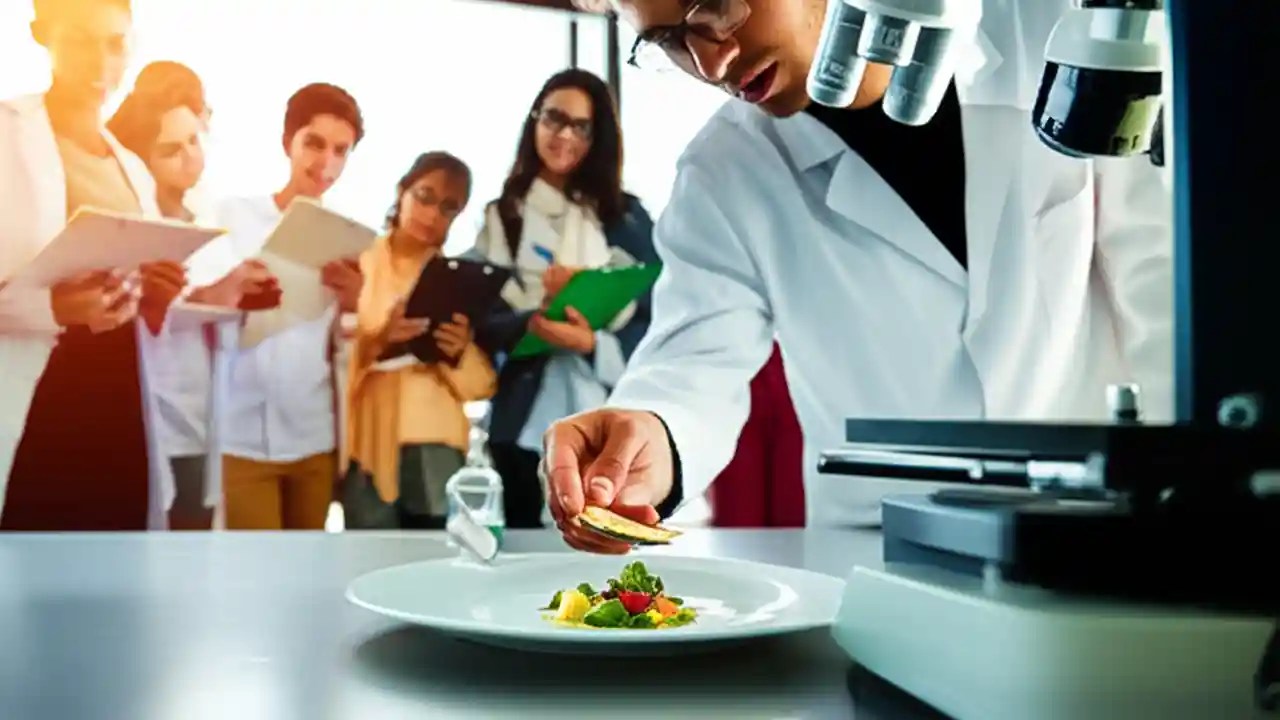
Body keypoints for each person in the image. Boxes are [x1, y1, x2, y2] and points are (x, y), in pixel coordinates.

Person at [542, 0, 1173, 552]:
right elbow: (692, 368)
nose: (711, 62)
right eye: (668, 41)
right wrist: (649, 434)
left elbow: (1164, 293)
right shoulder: (725, 171)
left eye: (714, 3)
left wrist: (1202, 497)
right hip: (878, 550)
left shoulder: (1056, 33)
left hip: (1097, 524)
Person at [0, 0, 190, 529]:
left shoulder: (131, 167)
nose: (101, 62)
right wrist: (51, 306)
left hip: (118, 396)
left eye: (115, 42)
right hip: (37, 398)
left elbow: (135, 301)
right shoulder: (6, 136)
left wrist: (156, 294)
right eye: (80, 40)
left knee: (116, 566)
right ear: (41, 33)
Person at [471, 69, 660, 529]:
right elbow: (483, 318)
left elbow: (660, 318)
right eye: (555, 119)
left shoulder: (626, 216)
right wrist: (535, 321)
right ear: (534, 121)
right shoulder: (504, 215)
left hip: (604, 409)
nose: (565, 135)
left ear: (598, 138)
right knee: (519, 550)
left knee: (598, 541)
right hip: (521, 415)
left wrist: (591, 342)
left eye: (582, 126)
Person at [106, 61, 277, 530]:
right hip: (158, 420)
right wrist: (211, 295)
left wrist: (244, 295)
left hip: (208, 417)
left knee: (196, 546)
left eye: (192, 141)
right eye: (170, 150)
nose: (189, 156)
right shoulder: (129, 229)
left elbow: (216, 311)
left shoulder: (209, 220)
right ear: (140, 159)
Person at [200, 82, 366, 531]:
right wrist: (235, 287)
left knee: (305, 581)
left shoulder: (350, 241)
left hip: (314, 438)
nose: (325, 161)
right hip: (242, 435)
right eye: (313, 143)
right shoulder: (232, 216)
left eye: (340, 150)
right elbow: (202, 307)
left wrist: (355, 301)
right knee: (252, 581)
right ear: (287, 142)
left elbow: (344, 342)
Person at [342, 151, 497, 530]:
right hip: (368, 438)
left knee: (436, 561)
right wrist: (379, 341)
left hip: (437, 436)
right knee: (369, 560)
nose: (432, 215)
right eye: (424, 197)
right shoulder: (356, 262)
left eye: (449, 208)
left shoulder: (459, 281)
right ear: (402, 192)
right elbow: (328, 357)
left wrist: (457, 350)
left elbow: (482, 385)